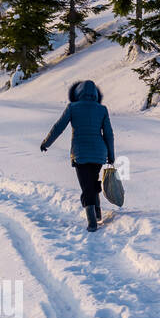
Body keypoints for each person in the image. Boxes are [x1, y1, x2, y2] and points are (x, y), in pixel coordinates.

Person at [40, 79, 115, 232]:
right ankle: (97, 211)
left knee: (86, 185)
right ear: (95, 94)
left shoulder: (73, 107)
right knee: (92, 181)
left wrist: (46, 143)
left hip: (80, 152)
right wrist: (111, 154)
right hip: (99, 153)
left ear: (78, 93)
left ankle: (92, 221)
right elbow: (108, 134)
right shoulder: (102, 109)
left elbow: (58, 127)